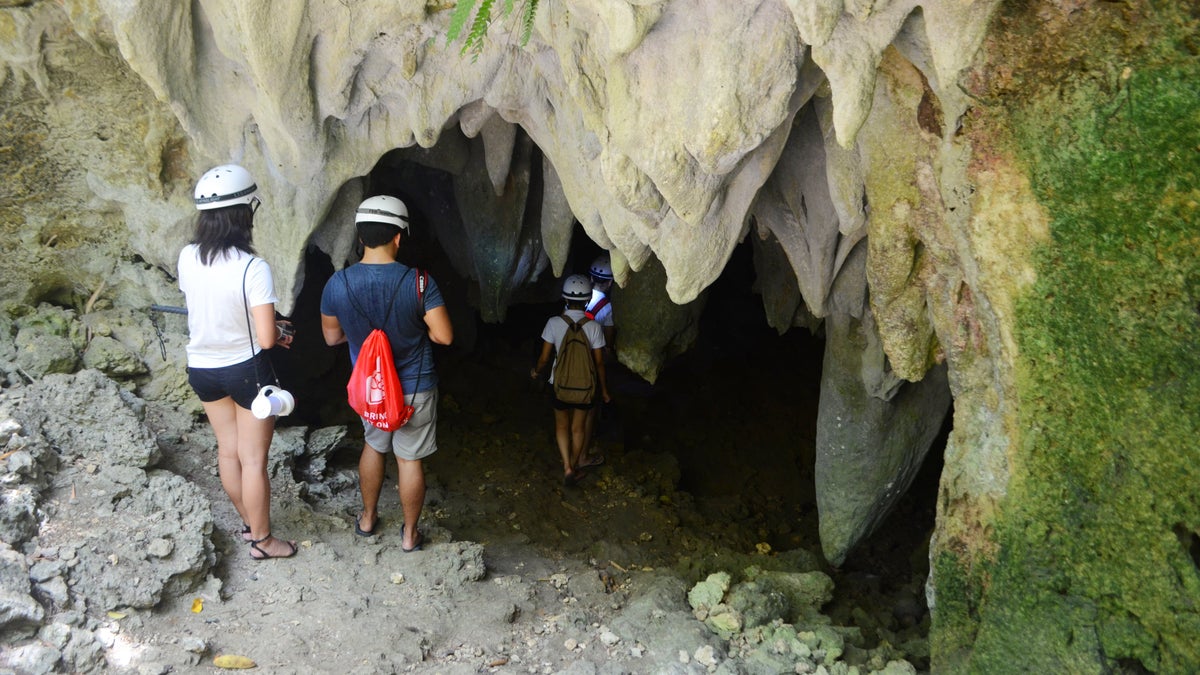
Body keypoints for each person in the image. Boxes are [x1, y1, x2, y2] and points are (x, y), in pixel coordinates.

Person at [178, 164, 298, 560]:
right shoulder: (253, 267)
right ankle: (264, 542)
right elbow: (265, 338)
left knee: (227, 451)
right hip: (246, 370)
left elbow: (211, 305)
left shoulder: (187, 256)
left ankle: (250, 525)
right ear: (245, 213)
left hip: (202, 368)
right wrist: (281, 332)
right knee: (253, 459)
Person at [320, 195, 453, 553]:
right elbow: (443, 335)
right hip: (414, 388)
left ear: (360, 238)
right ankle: (410, 535)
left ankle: (367, 518)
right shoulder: (420, 282)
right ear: (398, 237)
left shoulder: (338, 284)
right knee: (409, 458)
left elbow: (332, 337)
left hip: (371, 389)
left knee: (374, 446)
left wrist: (366, 339)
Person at [530, 274, 611, 486]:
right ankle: (574, 466)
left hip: (559, 385)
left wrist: (537, 372)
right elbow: (599, 363)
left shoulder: (554, 323)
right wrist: (603, 390)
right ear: (586, 300)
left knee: (561, 427)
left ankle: (566, 465)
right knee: (579, 429)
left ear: (565, 298)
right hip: (585, 387)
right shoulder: (593, 327)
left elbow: (544, 358)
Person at [581, 254, 615, 467]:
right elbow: (607, 343)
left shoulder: (574, 298)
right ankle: (583, 454)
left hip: (568, 361)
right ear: (610, 282)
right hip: (590, 364)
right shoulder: (607, 308)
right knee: (588, 412)